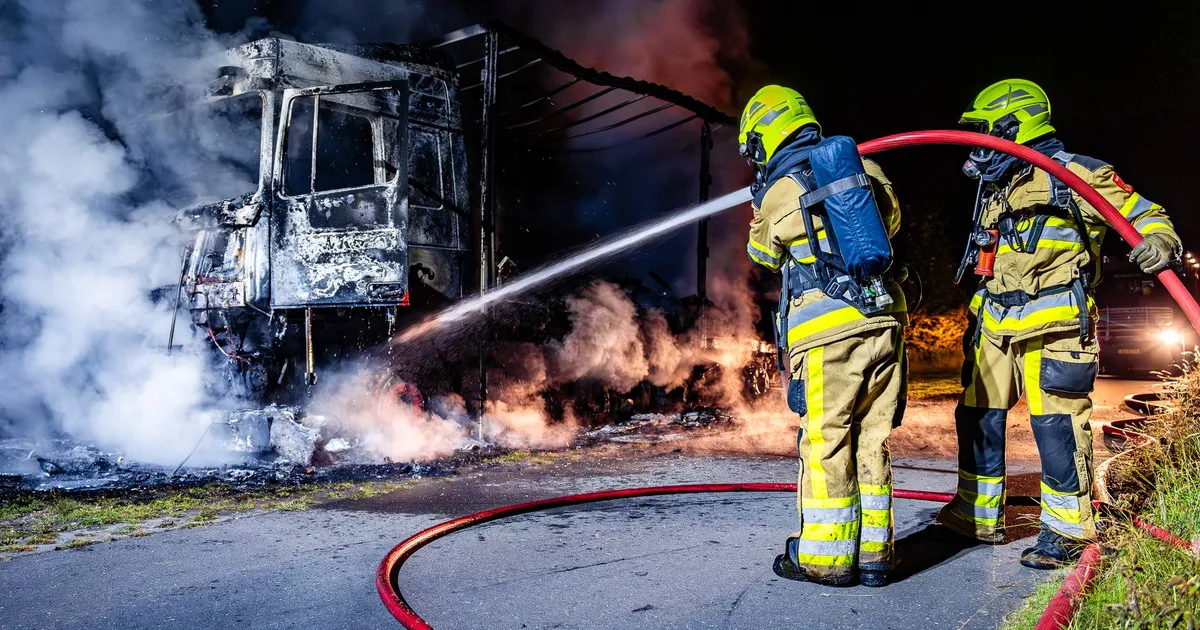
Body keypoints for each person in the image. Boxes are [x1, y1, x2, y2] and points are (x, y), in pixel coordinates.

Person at [939, 79, 1182, 568]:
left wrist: (1160, 241)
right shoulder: (998, 185)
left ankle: (1067, 530)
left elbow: (1146, 215)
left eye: (984, 131)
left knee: (1057, 426)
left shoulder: (1075, 174)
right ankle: (977, 515)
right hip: (993, 326)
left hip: (1055, 324)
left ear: (1012, 126)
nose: (976, 143)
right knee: (977, 417)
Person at [741, 85, 908, 587]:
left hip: (827, 333)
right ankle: (875, 557)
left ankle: (827, 558)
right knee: (872, 438)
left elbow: (763, 256)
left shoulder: (778, 191)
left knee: (827, 441)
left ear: (765, 136)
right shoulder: (865, 168)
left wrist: (760, 205)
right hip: (884, 321)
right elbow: (893, 222)